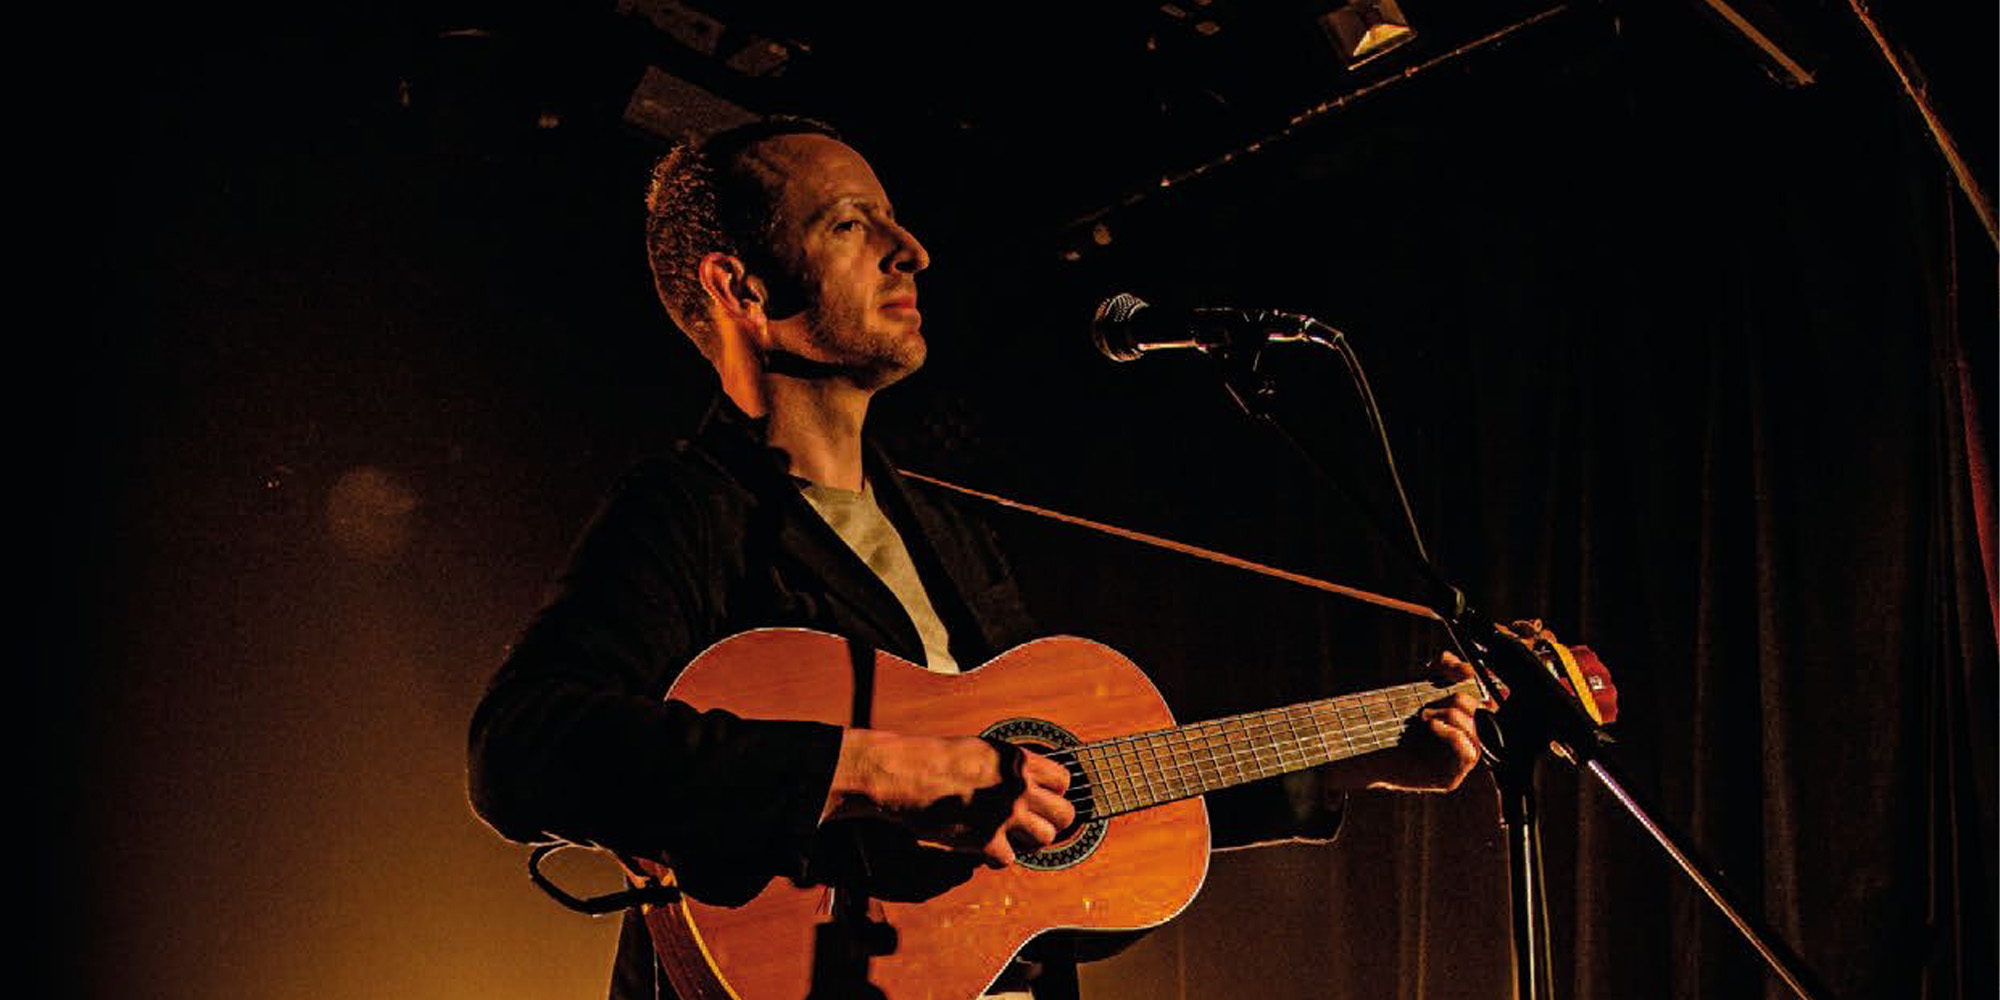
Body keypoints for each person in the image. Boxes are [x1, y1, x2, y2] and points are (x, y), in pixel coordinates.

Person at [467, 116, 1483, 1000]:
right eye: (849, 224)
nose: (910, 250)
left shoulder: (945, 535)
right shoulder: (686, 512)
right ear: (737, 285)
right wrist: (878, 769)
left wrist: (1361, 758)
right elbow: (521, 752)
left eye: (892, 220)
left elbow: (1072, 798)